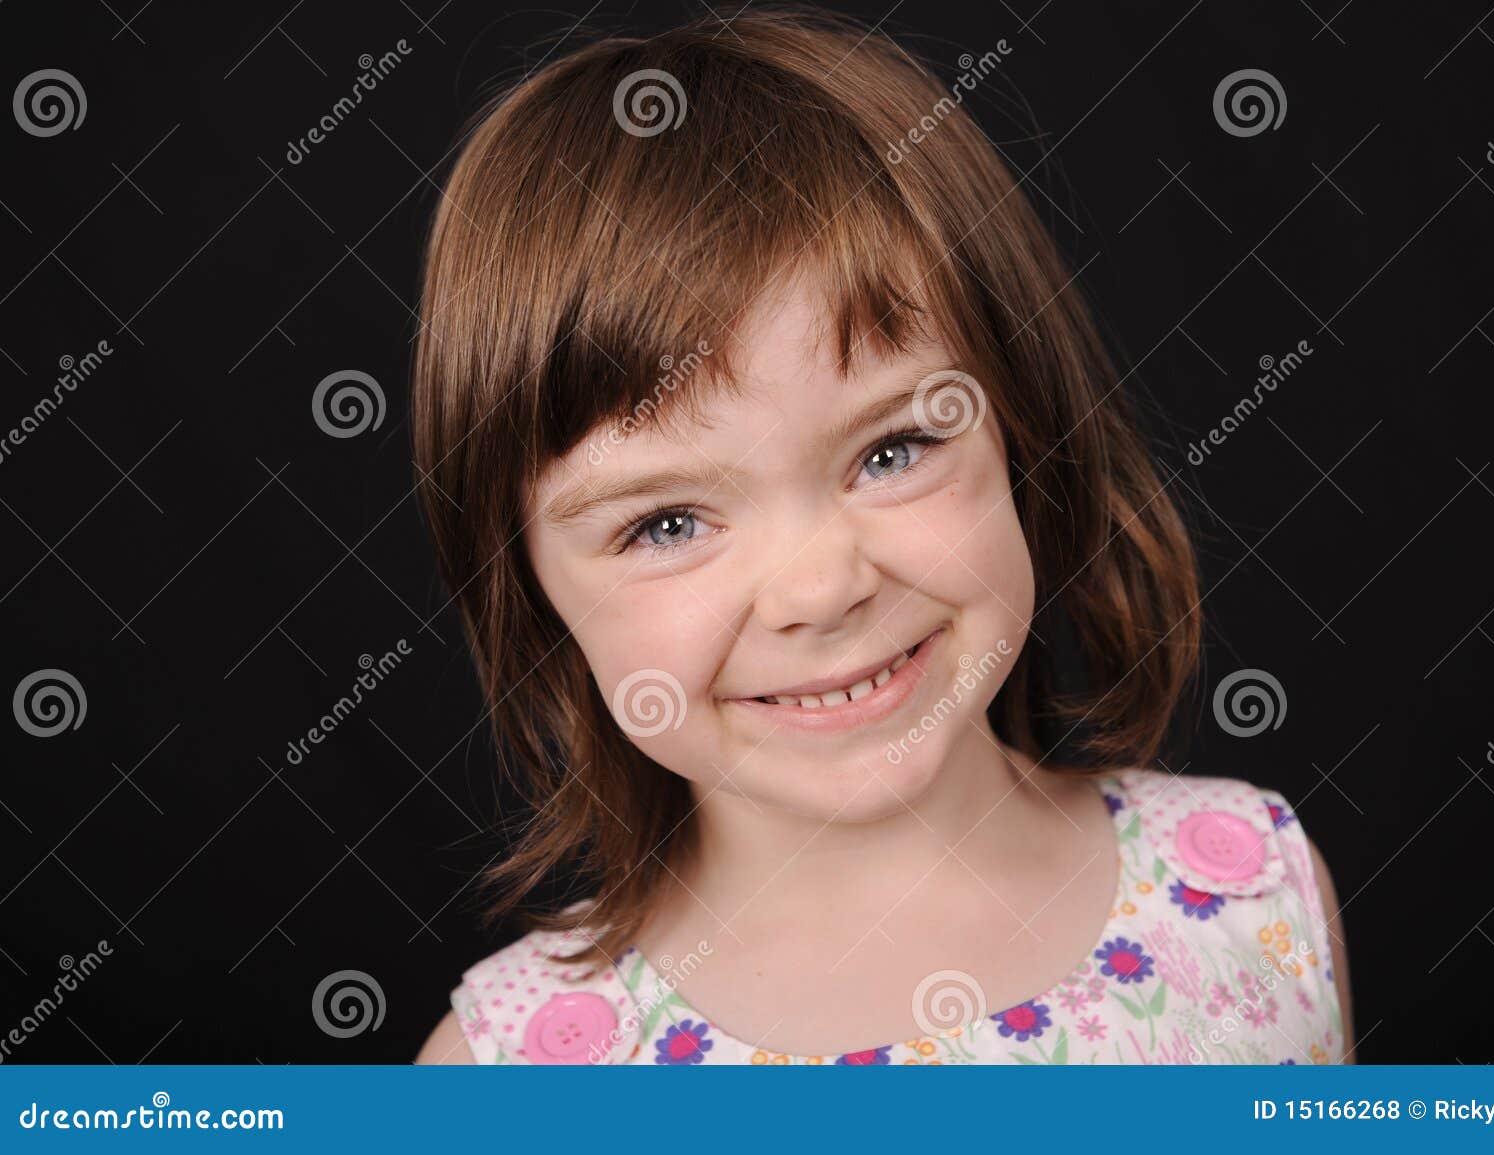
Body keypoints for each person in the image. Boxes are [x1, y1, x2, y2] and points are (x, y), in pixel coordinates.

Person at [410, 3, 1355, 1065]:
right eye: (667, 522)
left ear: (1023, 430)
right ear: (526, 588)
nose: (820, 588)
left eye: (893, 451)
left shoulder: (1249, 897)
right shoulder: (516, 1072)